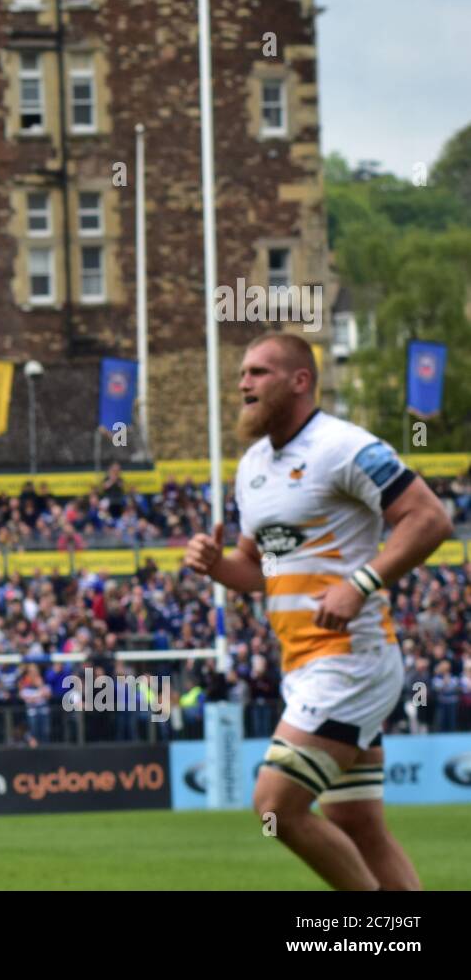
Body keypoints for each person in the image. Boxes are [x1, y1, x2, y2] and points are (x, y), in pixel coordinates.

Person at [184, 331, 452, 891]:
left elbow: (429, 518)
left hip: (350, 659)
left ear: (300, 381)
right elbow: (258, 570)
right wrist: (216, 566)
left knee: (276, 806)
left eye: (258, 372)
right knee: (357, 823)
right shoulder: (254, 465)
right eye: (242, 373)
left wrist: (361, 581)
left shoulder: (344, 446)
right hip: (303, 664)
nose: (243, 383)